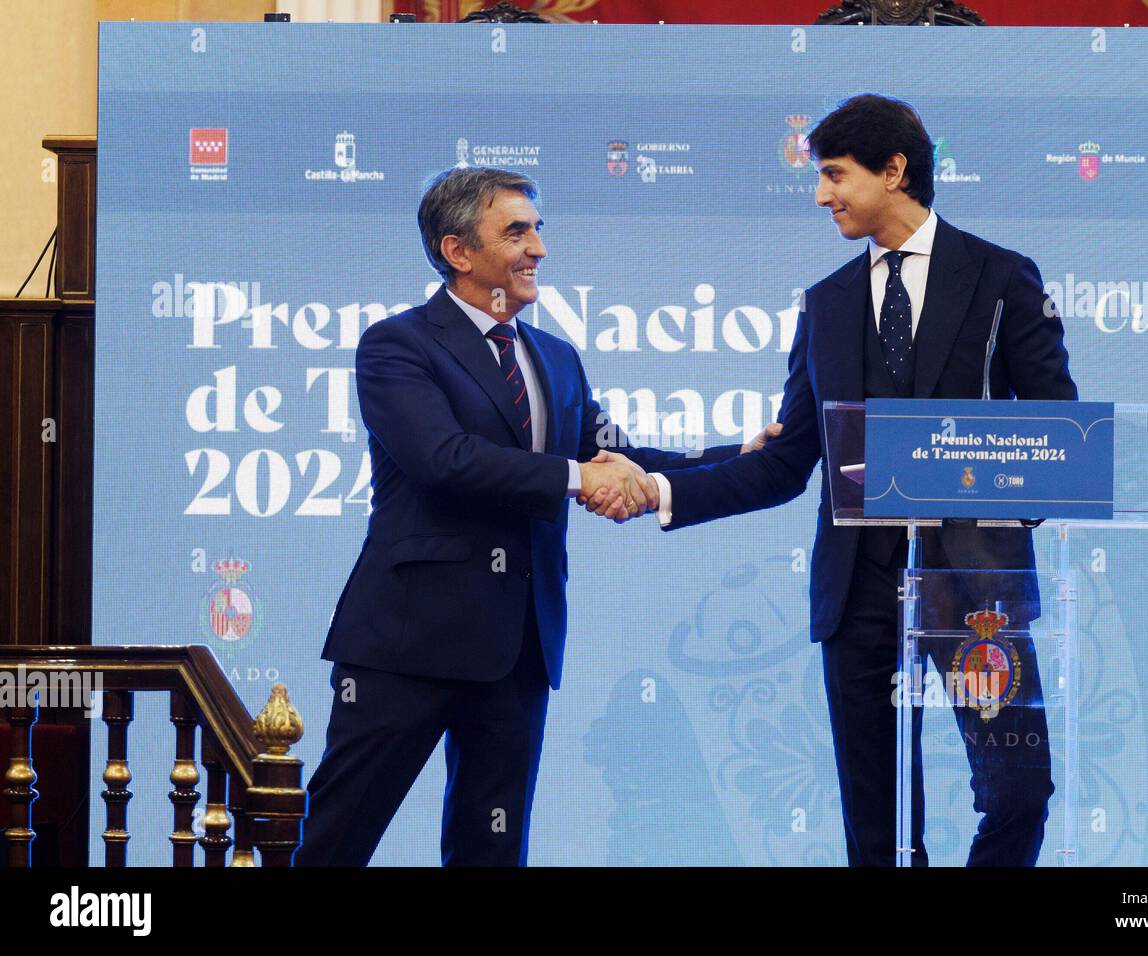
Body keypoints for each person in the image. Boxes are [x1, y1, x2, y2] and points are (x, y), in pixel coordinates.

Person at [587, 94, 1078, 866]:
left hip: (976, 590)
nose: (821, 196)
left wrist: (963, 474)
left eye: (834, 175)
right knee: (876, 830)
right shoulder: (827, 303)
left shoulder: (1002, 278)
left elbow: (1060, 439)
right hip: (858, 594)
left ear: (894, 170)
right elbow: (786, 462)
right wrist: (657, 484)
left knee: (1020, 791)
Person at [294, 166, 776, 866]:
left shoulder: (555, 356)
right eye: (516, 231)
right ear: (459, 252)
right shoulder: (398, 345)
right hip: (405, 644)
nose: (538, 249)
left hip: (518, 647)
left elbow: (619, 456)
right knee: (337, 840)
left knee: (491, 852)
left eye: (538, 229)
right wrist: (583, 477)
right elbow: (446, 459)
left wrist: (740, 454)